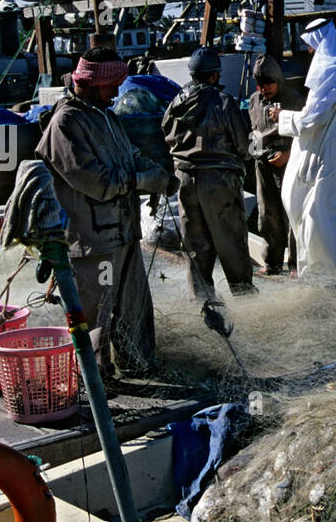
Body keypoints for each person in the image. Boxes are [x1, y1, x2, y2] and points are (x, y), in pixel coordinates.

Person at [36, 48, 175, 378]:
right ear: (90, 83)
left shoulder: (104, 116)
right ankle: (99, 382)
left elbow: (132, 154)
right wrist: (141, 180)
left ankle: (139, 367)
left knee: (134, 308)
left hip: (124, 233)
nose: (116, 93)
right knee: (96, 315)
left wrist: (158, 174)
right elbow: (94, 181)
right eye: (111, 86)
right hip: (93, 239)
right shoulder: (66, 123)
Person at [162, 48, 257, 298]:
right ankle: (246, 299)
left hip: (184, 181)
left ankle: (203, 304)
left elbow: (165, 136)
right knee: (231, 242)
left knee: (195, 247)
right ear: (215, 75)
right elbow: (244, 147)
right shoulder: (224, 102)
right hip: (219, 182)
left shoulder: (175, 103)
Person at [266, 18, 336, 277]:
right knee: (327, 209)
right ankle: (334, 268)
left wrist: (281, 116)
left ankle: (323, 273)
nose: (309, 51)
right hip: (334, 145)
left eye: (311, 45)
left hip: (326, 148)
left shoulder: (330, 67)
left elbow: (310, 119)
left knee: (317, 214)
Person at [247, 55, 302, 275]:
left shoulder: (294, 101)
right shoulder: (254, 100)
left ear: (279, 80)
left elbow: (306, 134)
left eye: (269, 83)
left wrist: (288, 154)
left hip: (288, 164)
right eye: (260, 84)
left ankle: (296, 265)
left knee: (291, 215)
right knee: (266, 215)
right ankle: (272, 263)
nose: (264, 89)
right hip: (262, 165)